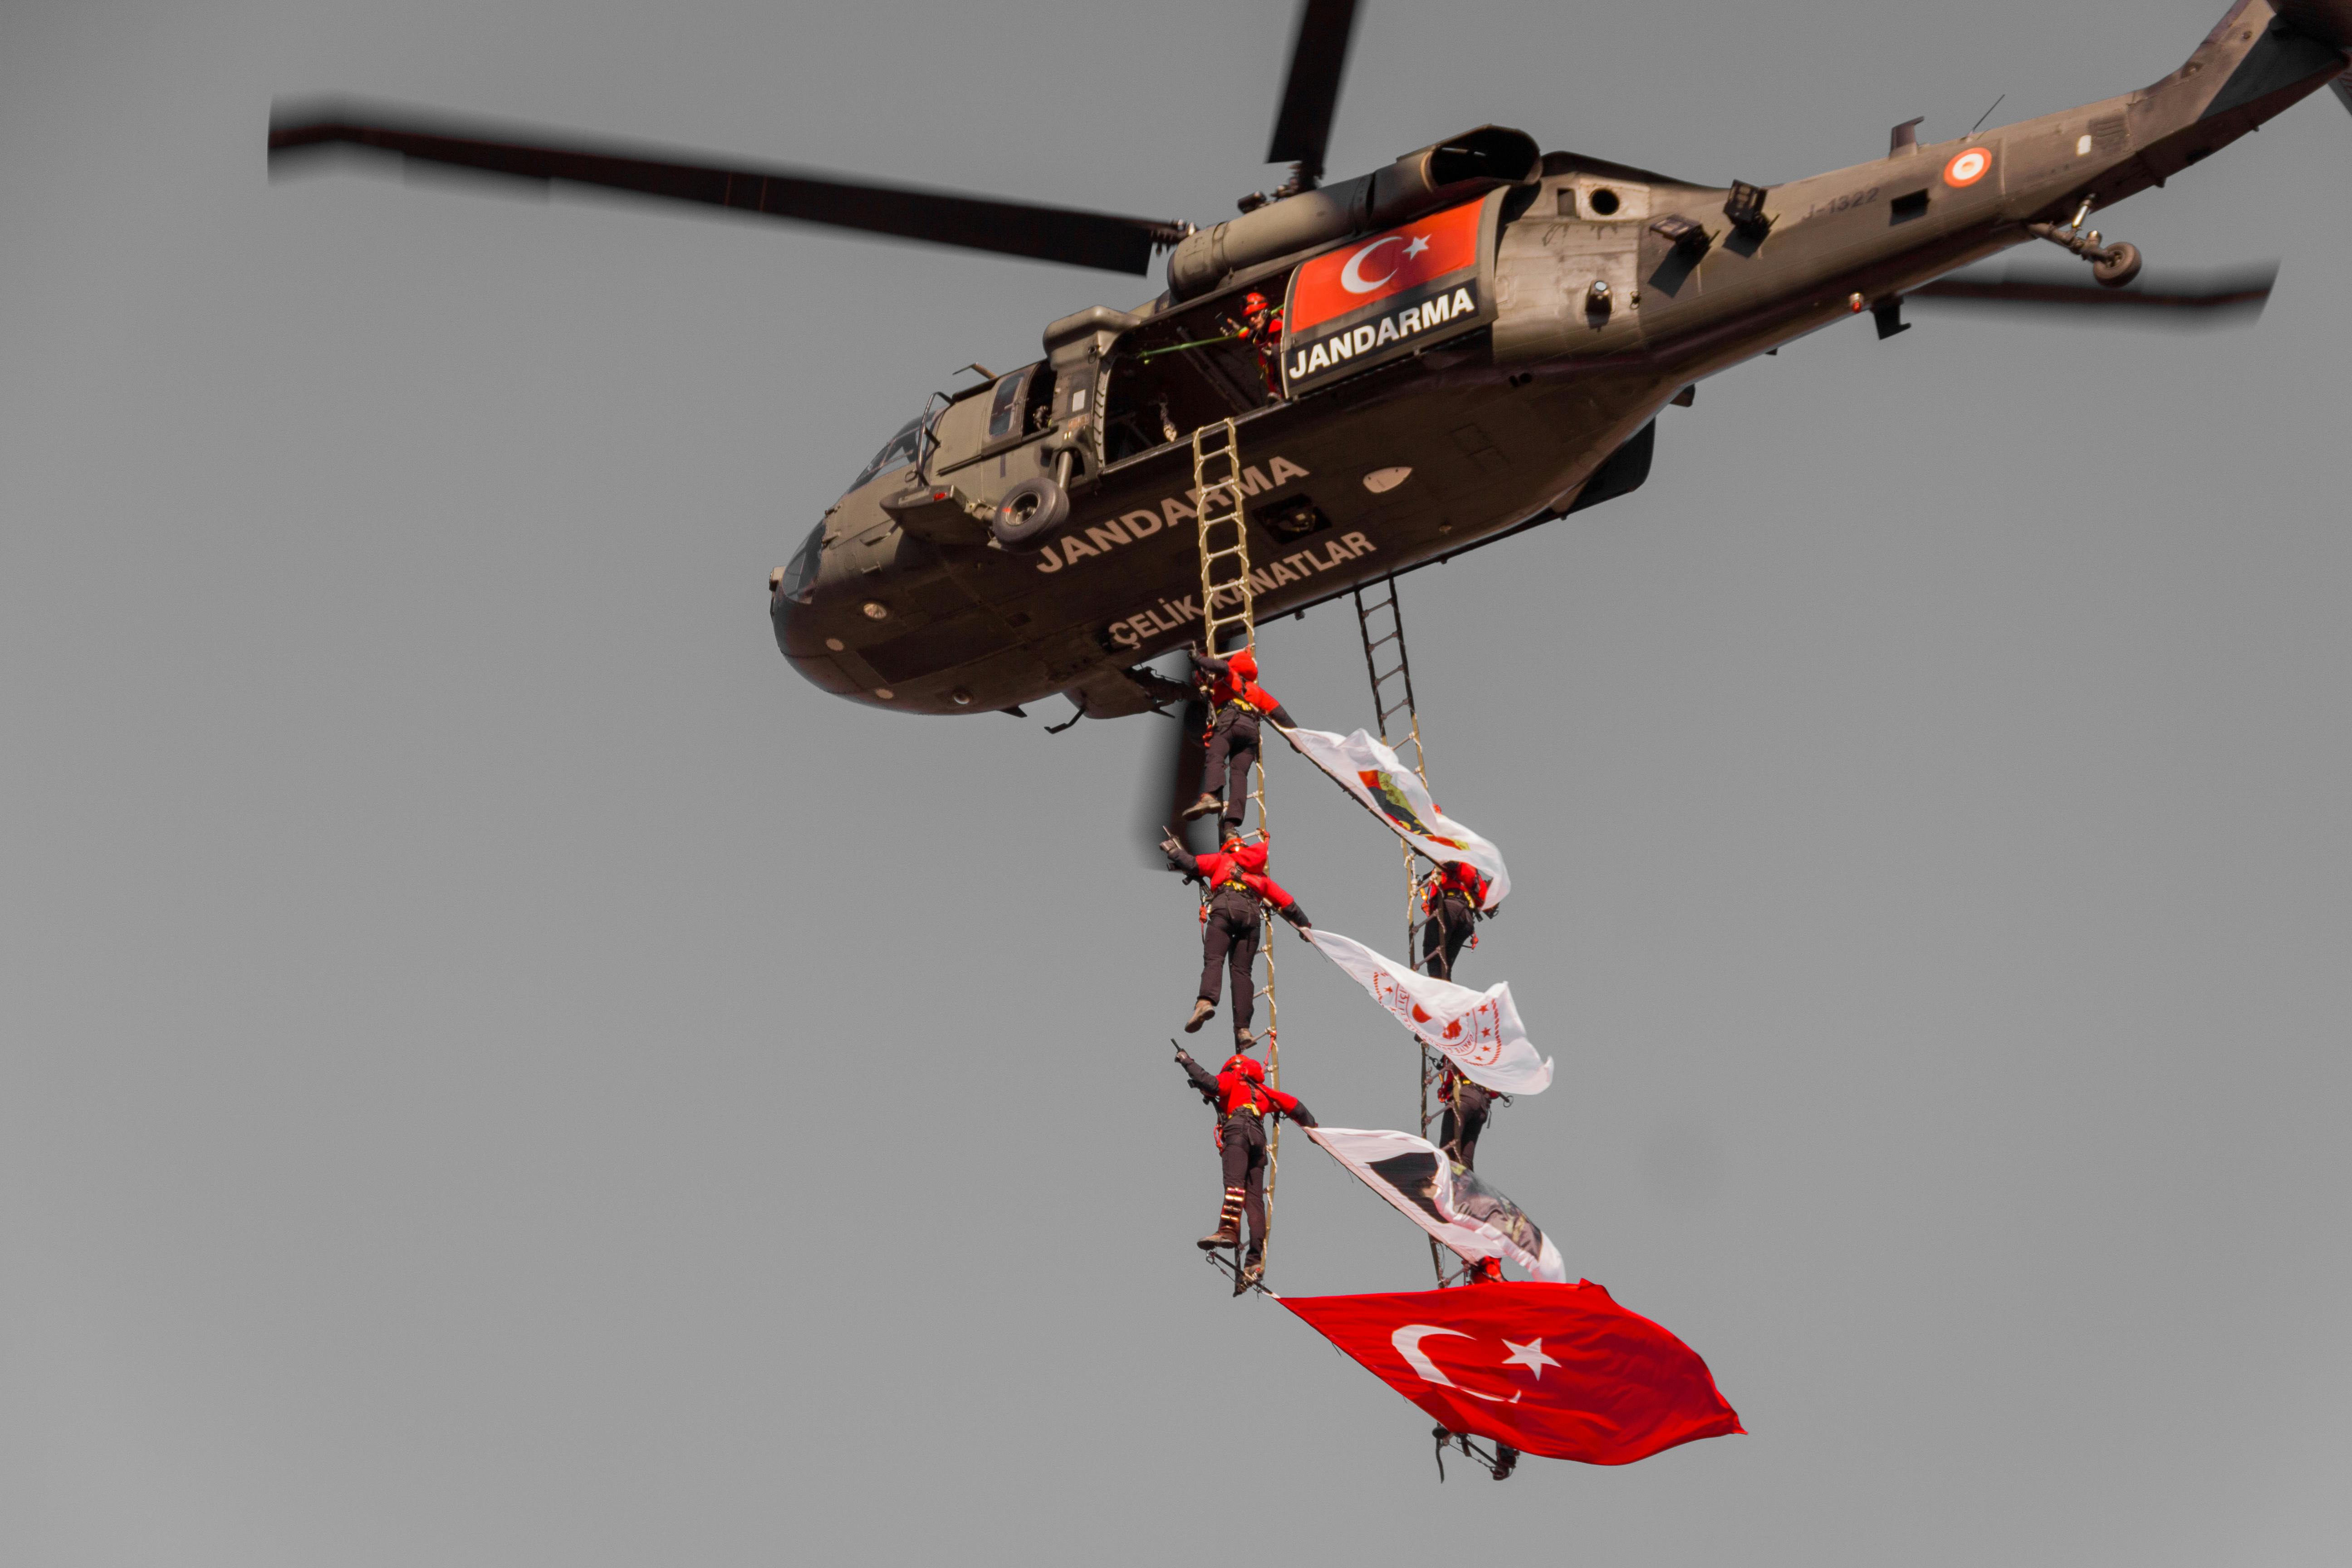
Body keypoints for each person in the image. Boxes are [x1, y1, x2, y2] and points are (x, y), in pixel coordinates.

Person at [1172, 1040, 1316, 1284]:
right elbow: (1296, 1106)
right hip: (1259, 1140)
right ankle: (1255, 1259)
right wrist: (1314, 1130)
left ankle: (1228, 1231)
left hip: (1238, 1131)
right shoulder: (1261, 1091)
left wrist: (1187, 1061)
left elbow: (1212, 1083)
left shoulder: (1232, 1078)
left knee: (1234, 1183)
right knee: (1255, 1202)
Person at [1163, 833, 1311, 1043]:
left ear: (1228, 849)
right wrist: (1306, 927)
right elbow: (1289, 905)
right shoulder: (1261, 877)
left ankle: (1206, 1002)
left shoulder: (1222, 859)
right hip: (1252, 920)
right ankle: (1244, 1030)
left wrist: (1172, 850)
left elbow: (1193, 864)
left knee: (1215, 959)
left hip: (1226, 908)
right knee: (1242, 972)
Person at [1181, 644, 1296, 832]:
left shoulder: (1229, 677)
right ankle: (1231, 825)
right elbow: (1281, 715)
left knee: (1216, 756)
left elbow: (1222, 668)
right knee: (1239, 775)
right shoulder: (1256, 691)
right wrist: (1295, 740)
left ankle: (1211, 796)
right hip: (1250, 734)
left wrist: (1199, 659)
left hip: (1230, 724)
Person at [1419, 859, 1492, 983]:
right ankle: (1446, 993)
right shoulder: (1475, 878)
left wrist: (1433, 853)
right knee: (1446, 965)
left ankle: (1438, 990)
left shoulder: (1459, 863)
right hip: (1467, 922)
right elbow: (1486, 903)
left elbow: (1450, 863)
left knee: (1432, 952)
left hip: (1449, 908)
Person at [1225, 291, 1286, 401]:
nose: (1252, 320)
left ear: (1266, 312)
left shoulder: (1283, 325)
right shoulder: (1260, 335)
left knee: (1276, 350)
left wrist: (1277, 350)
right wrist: (1238, 331)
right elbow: (1250, 336)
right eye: (1249, 318)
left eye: (1255, 315)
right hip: (1278, 392)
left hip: (1292, 383)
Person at [1436, 1059, 1494, 1171]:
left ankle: (1449, 1179)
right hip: (1482, 1105)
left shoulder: (1461, 1050)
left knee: (1448, 1146)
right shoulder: (1487, 1058)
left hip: (1464, 1098)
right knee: (1466, 1158)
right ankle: (1465, 1183)